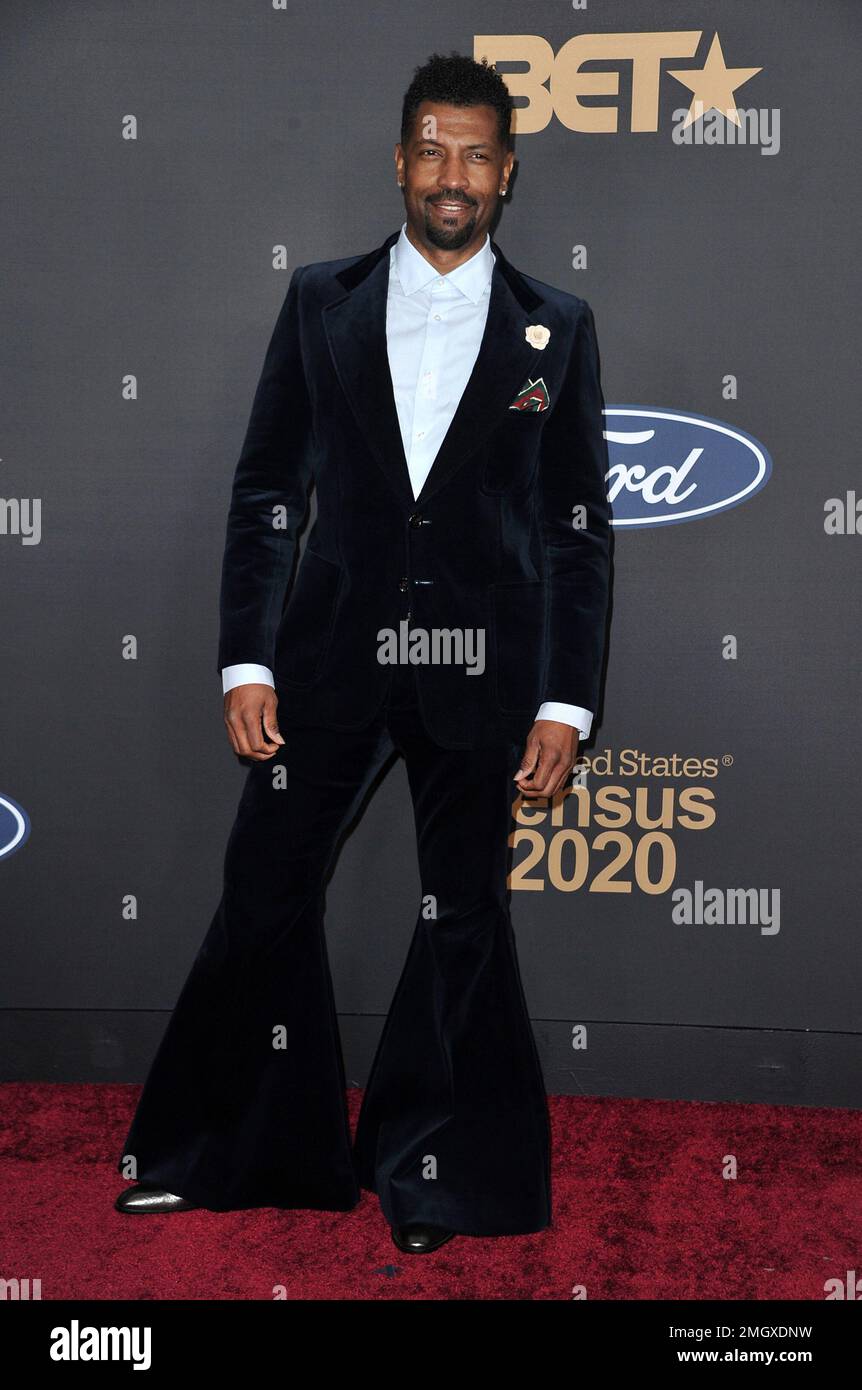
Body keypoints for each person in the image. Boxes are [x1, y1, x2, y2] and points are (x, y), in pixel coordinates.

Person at [115, 51, 611, 1255]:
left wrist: (564, 699)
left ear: (508, 174)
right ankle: (226, 1149)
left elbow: (575, 530)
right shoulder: (316, 300)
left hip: (482, 673)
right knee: (263, 892)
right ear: (401, 161)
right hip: (327, 658)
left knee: (462, 919)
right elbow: (265, 490)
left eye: (477, 153)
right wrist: (247, 660)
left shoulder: (558, 325)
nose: (453, 173)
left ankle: (430, 1171)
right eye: (432, 149)